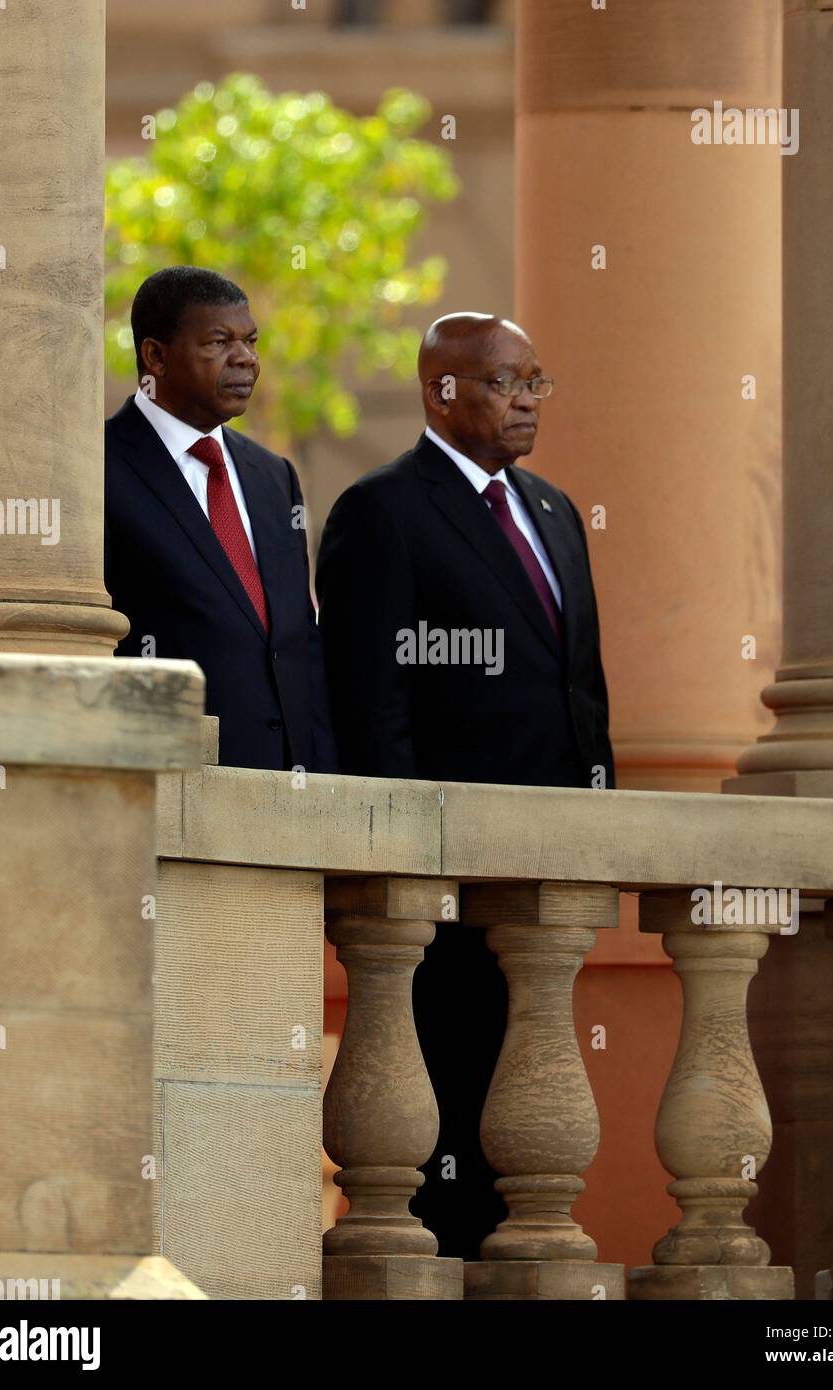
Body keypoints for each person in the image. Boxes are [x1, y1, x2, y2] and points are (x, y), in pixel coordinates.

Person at [316, 311, 613, 1260]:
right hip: (441, 871)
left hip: (545, 864)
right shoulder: (384, 509)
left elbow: (578, 684)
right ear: (441, 390)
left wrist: (597, 818)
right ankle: (445, 1268)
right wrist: (404, 851)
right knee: (443, 1081)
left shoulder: (556, 511)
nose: (526, 400)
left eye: (536, 380)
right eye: (503, 381)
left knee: (524, 1084)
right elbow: (371, 696)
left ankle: (509, 1262)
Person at [105, 266, 335, 773]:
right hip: (167, 783)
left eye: (251, 341)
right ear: (156, 357)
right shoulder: (96, 467)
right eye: (219, 341)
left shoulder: (274, 476)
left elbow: (299, 641)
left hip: (291, 786)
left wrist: (323, 774)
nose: (246, 359)